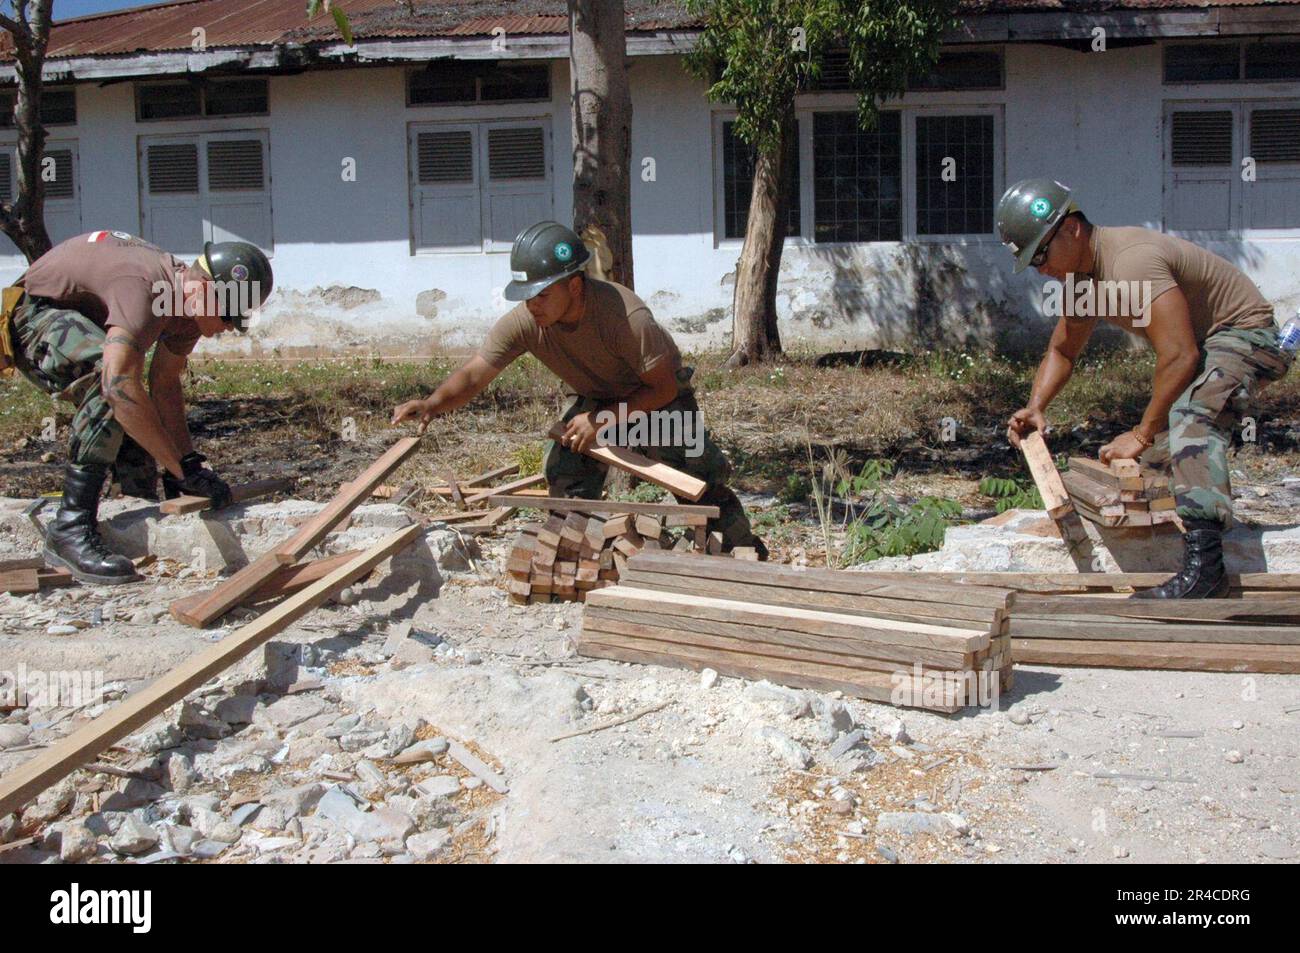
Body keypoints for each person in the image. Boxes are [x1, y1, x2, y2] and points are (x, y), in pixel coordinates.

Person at [392, 221, 767, 557]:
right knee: (565, 466)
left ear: (574, 285)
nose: (532, 305)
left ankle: (741, 549)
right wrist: (432, 403)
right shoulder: (527, 321)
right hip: (596, 399)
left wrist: (603, 420)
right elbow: (475, 374)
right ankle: (575, 548)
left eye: (541, 295)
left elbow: (664, 388)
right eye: (526, 295)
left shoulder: (626, 318)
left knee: (697, 482)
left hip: (655, 399)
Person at [998, 179, 1292, 599]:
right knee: (1158, 452)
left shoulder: (1131, 262)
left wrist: (1139, 433)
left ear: (1071, 228)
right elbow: (1063, 350)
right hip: (1207, 344)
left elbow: (1180, 356)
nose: (1041, 269)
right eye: (1031, 263)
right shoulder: (1084, 280)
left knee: (1191, 420)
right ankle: (1181, 542)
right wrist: (1035, 406)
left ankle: (1206, 571)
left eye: (1040, 254)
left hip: (1244, 336)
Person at [1, 231, 274, 584]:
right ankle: (69, 528)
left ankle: (127, 516)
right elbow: (118, 385)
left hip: (87, 321)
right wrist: (177, 469)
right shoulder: (144, 288)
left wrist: (188, 464)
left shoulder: (188, 310)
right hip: (35, 313)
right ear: (204, 290)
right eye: (228, 317)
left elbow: (164, 387)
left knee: (134, 413)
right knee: (113, 386)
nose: (227, 329)